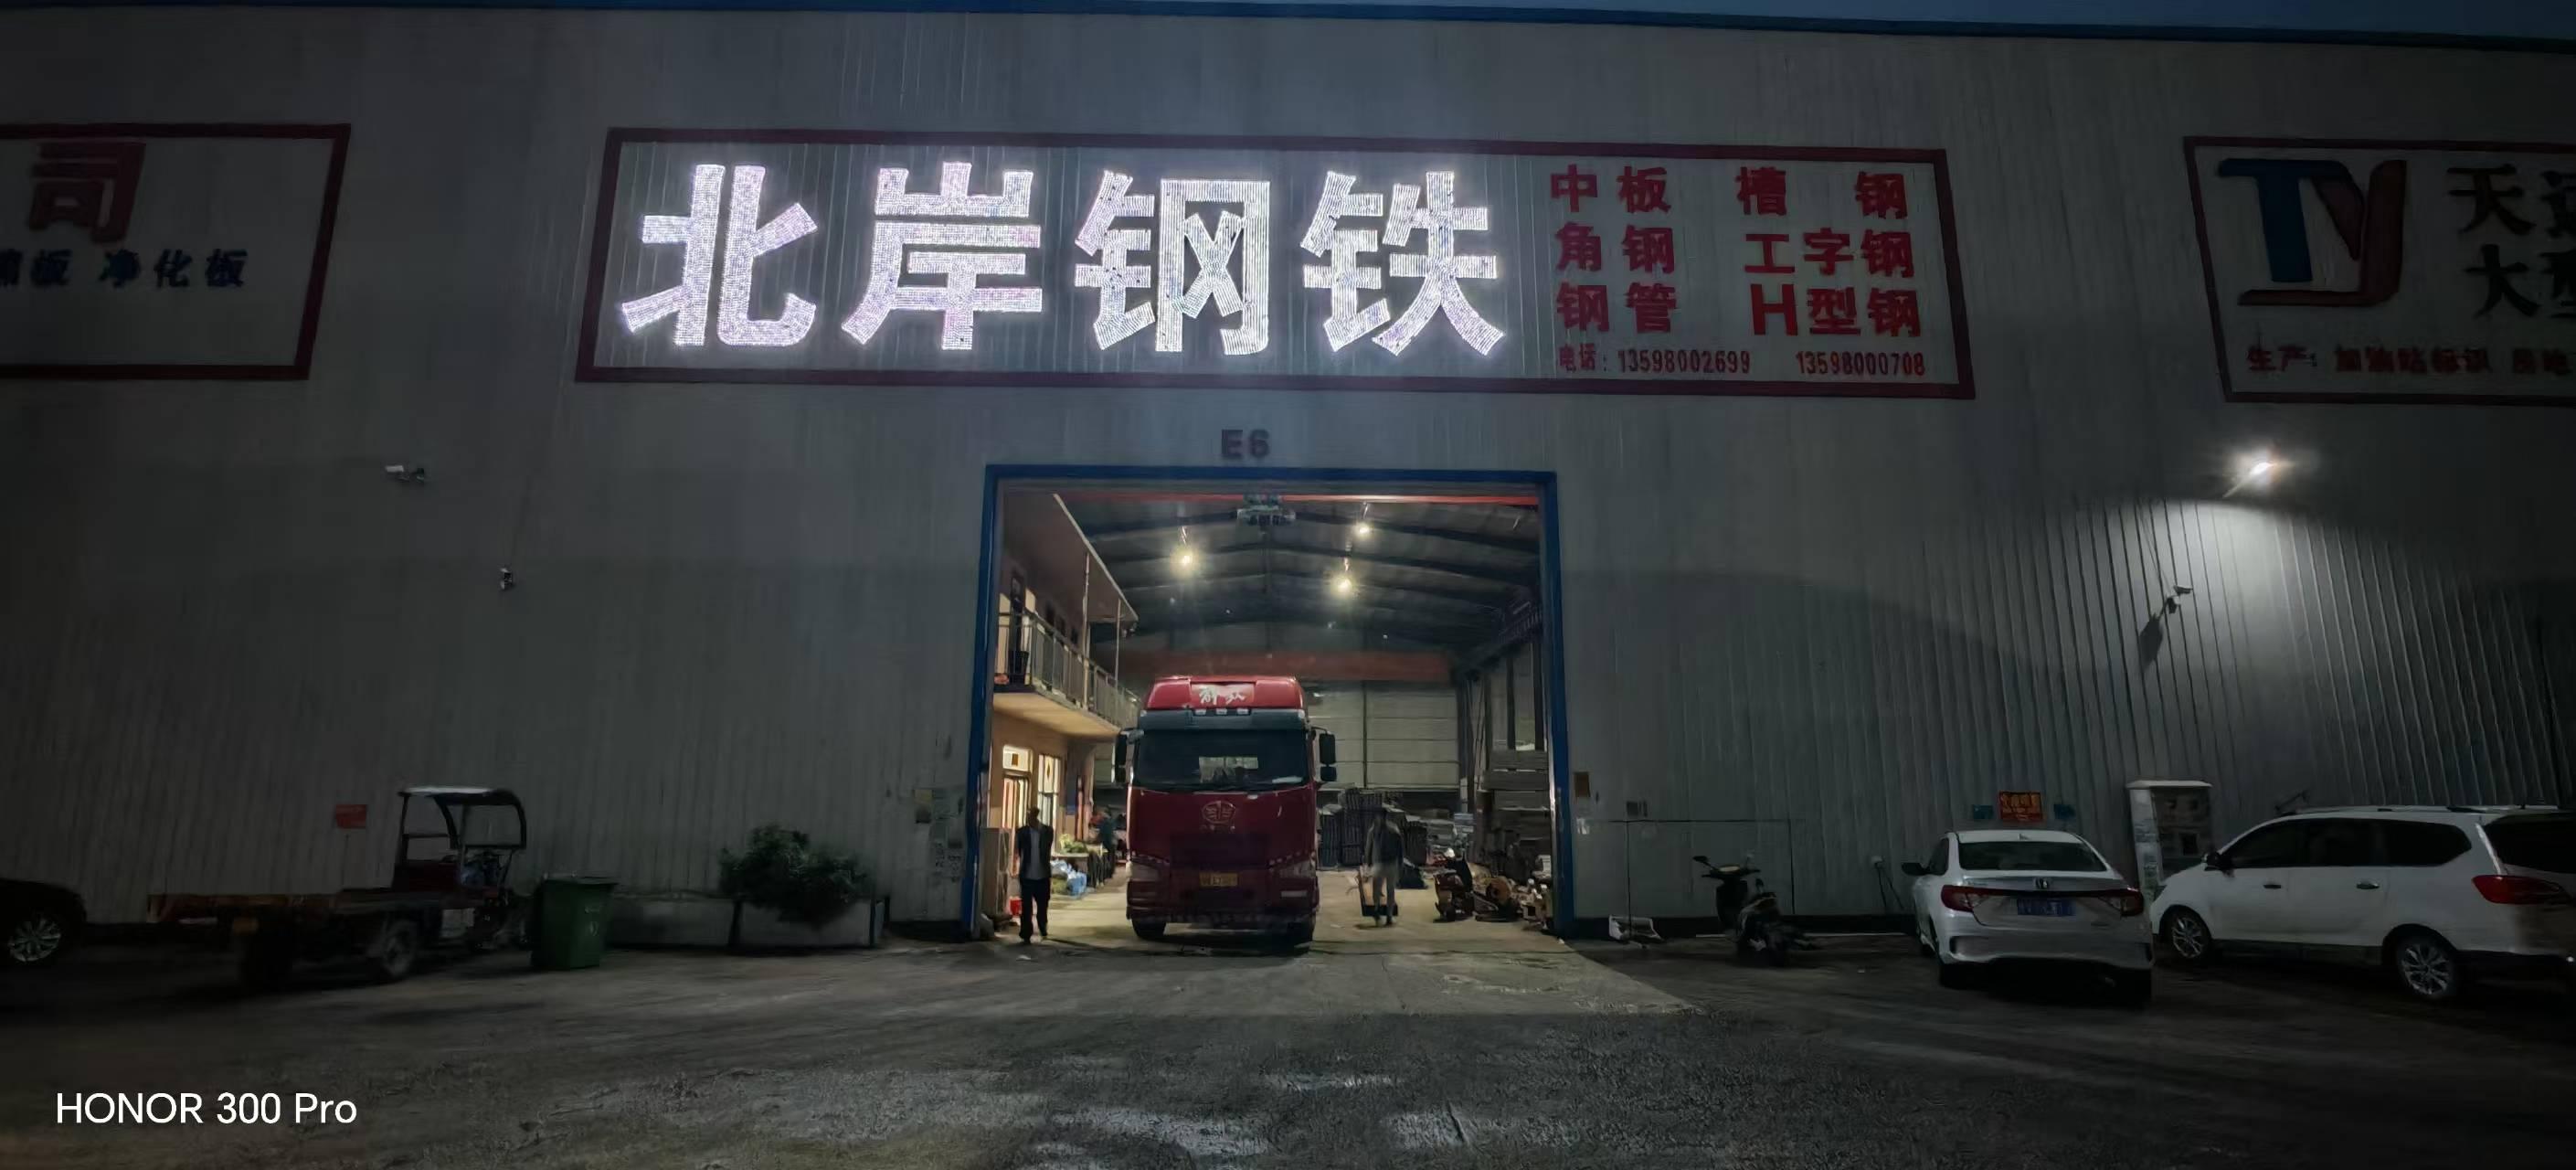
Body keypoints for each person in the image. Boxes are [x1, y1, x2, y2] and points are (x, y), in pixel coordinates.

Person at [1014, 807, 1055, 943]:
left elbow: (1048, 843)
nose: (1028, 820)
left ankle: (1042, 926)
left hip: (1042, 876)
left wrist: (1038, 828)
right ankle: (1026, 934)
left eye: (1031, 817)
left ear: (1036, 817)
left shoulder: (1047, 831)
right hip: (1027, 876)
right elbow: (1018, 850)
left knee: (1043, 906)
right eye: (1027, 817)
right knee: (1026, 908)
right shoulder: (1022, 832)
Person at [1362, 810, 1405, 926]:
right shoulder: (1373, 831)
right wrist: (1367, 865)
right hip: (1379, 864)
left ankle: (1389, 916)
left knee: (1390, 890)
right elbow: (1368, 848)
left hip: (1391, 863)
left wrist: (1400, 863)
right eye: (1379, 817)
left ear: (1385, 817)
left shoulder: (1393, 829)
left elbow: (1400, 847)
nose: (1380, 819)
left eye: (1382, 817)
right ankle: (1377, 910)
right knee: (1376, 889)